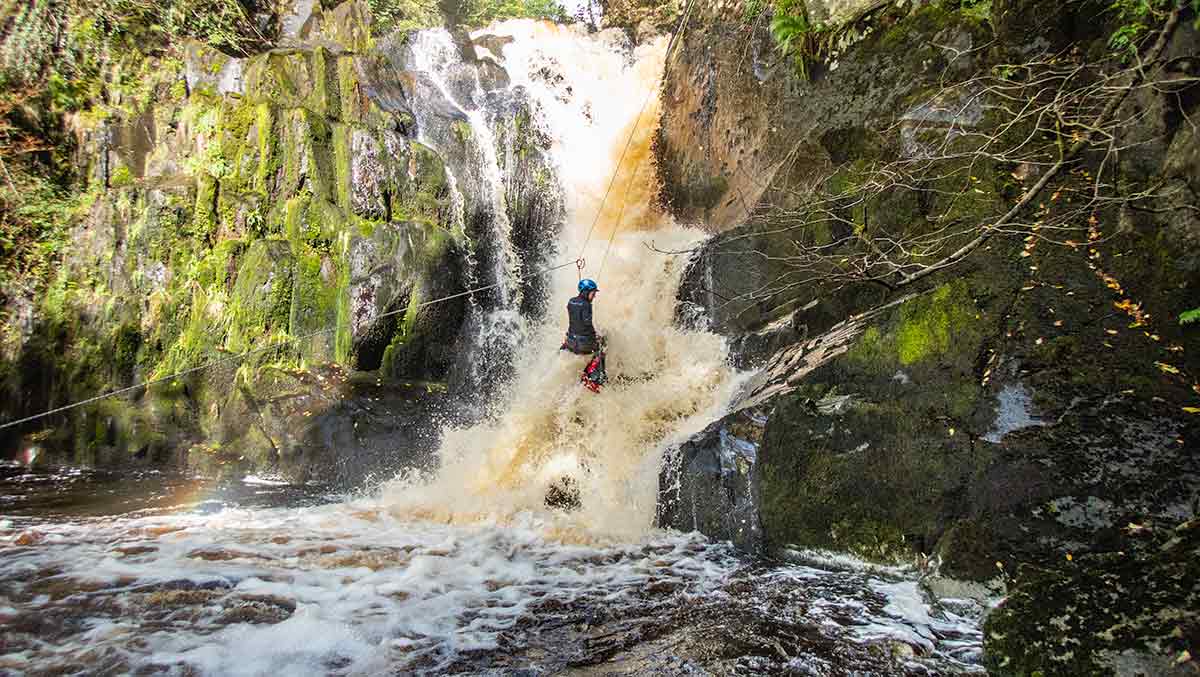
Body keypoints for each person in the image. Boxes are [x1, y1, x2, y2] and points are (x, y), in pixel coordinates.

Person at [563, 279, 602, 355]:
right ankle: (597, 359)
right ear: (586, 292)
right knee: (603, 341)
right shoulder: (587, 305)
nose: (594, 296)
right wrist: (595, 336)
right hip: (583, 344)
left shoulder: (571, 301)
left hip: (570, 341)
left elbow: (574, 318)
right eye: (593, 294)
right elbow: (587, 323)